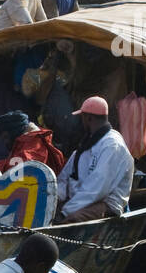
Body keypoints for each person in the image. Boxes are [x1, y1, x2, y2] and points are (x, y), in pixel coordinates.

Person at [55, 95, 135, 223]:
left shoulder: (112, 145)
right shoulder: (87, 144)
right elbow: (65, 178)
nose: (81, 121)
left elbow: (97, 189)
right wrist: (54, 200)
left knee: (72, 219)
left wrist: (66, 211)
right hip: (80, 201)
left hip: (106, 204)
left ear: (89, 118)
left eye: (83, 117)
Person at [0, 110, 65, 174]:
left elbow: (20, 170)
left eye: (5, 137)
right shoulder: (26, 142)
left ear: (14, 132)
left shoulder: (33, 145)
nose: (5, 142)